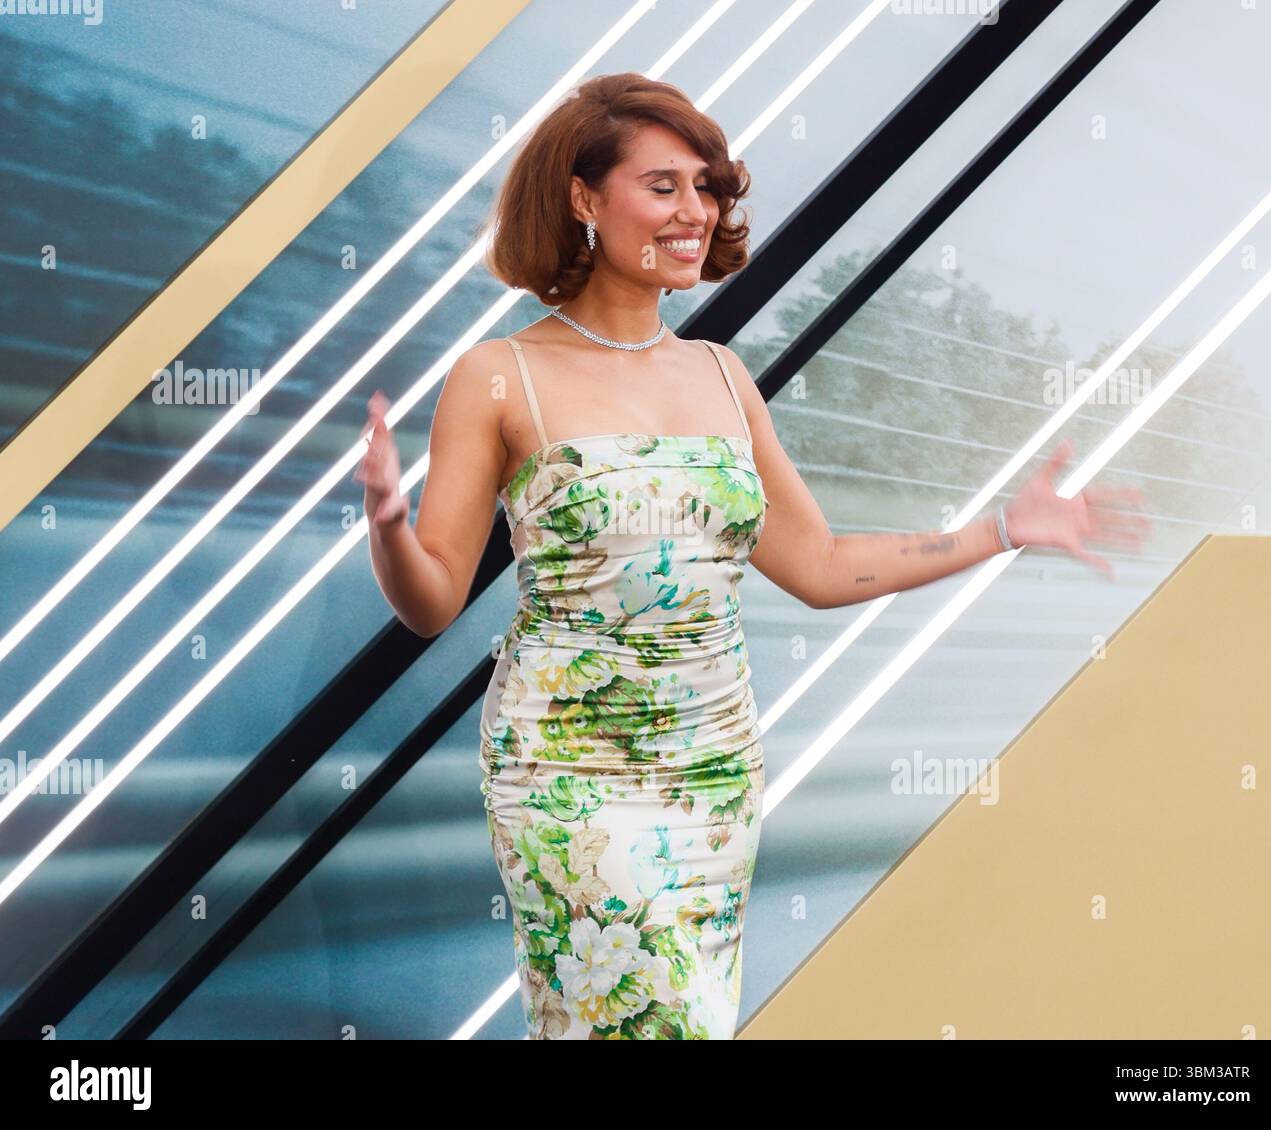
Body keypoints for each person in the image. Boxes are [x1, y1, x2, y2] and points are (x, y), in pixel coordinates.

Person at [352, 73, 1151, 1039]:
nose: (696, 211)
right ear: (582, 198)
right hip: (571, 777)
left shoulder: (721, 374)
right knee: (653, 1020)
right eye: (663, 186)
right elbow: (431, 601)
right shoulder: (499, 374)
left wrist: (1001, 530)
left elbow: (817, 565)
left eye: (708, 186)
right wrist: (392, 525)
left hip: (715, 772)